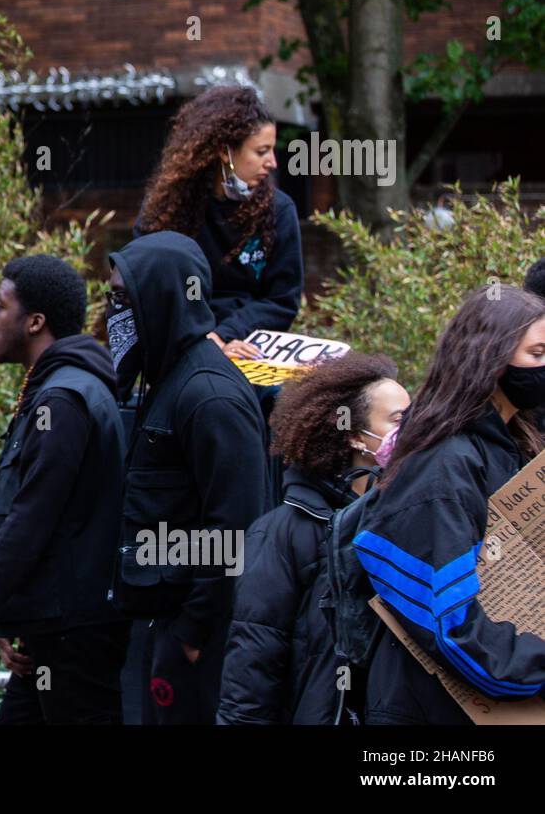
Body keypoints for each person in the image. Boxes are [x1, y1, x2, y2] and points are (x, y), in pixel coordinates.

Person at [355, 285, 545, 724]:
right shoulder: (442, 466)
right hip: (429, 712)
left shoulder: (512, 442)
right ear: (491, 359)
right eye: (536, 354)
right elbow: (451, 627)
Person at [106, 230, 269, 724]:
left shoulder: (209, 395)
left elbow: (237, 527)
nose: (112, 313)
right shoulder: (169, 379)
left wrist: (193, 634)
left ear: (158, 298)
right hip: (162, 622)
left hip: (196, 641)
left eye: (121, 298)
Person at [217, 353, 410, 724]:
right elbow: (253, 662)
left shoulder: (406, 519)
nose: (412, 432)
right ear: (355, 435)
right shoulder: (284, 532)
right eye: (399, 421)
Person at [0, 254, 129, 724]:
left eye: (0, 305)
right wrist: (8, 617)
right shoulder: (61, 387)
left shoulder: (63, 398)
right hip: (51, 628)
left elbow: (31, 519)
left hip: (74, 634)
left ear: (34, 321)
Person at [134, 85, 303, 362]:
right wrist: (202, 338)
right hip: (181, 345)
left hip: (249, 346)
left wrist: (225, 334)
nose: (272, 162)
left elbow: (281, 301)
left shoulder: (279, 210)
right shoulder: (165, 210)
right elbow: (148, 287)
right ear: (225, 152)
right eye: (262, 151)